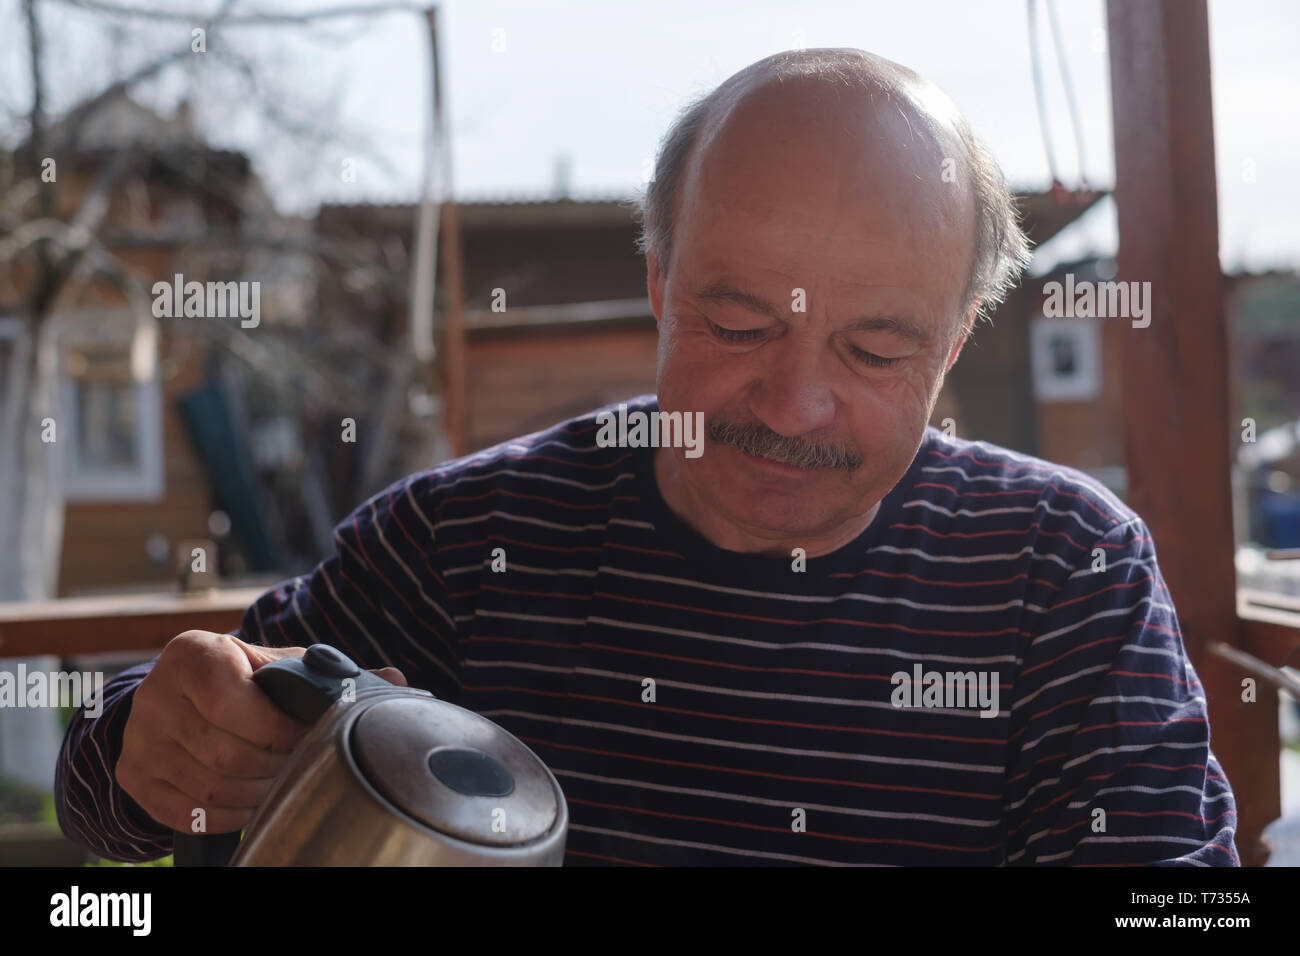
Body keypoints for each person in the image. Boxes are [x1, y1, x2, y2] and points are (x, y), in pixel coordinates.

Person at [55, 48, 1237, 866]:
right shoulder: (468, 543)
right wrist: (153, 741)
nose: (796, 399)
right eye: (739, 326)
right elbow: (107, 800)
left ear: (953, 349)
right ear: (660, 286)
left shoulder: (1061, 568)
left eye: (876, 348)